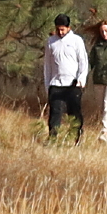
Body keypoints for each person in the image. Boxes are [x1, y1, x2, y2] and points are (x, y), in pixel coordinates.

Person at [40, 14, 88, 142]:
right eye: (58, 29)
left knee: (74, 113)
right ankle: (53, 139)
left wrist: (81, 79)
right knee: (55, 113)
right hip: (56, 84)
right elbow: (48, 65)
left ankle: (76, 138)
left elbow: (83, 61)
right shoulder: (51, 42)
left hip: (73, 84)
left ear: (68, 28)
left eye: (63, 29)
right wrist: (48, 85)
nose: (60, 32)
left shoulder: (77, 40)